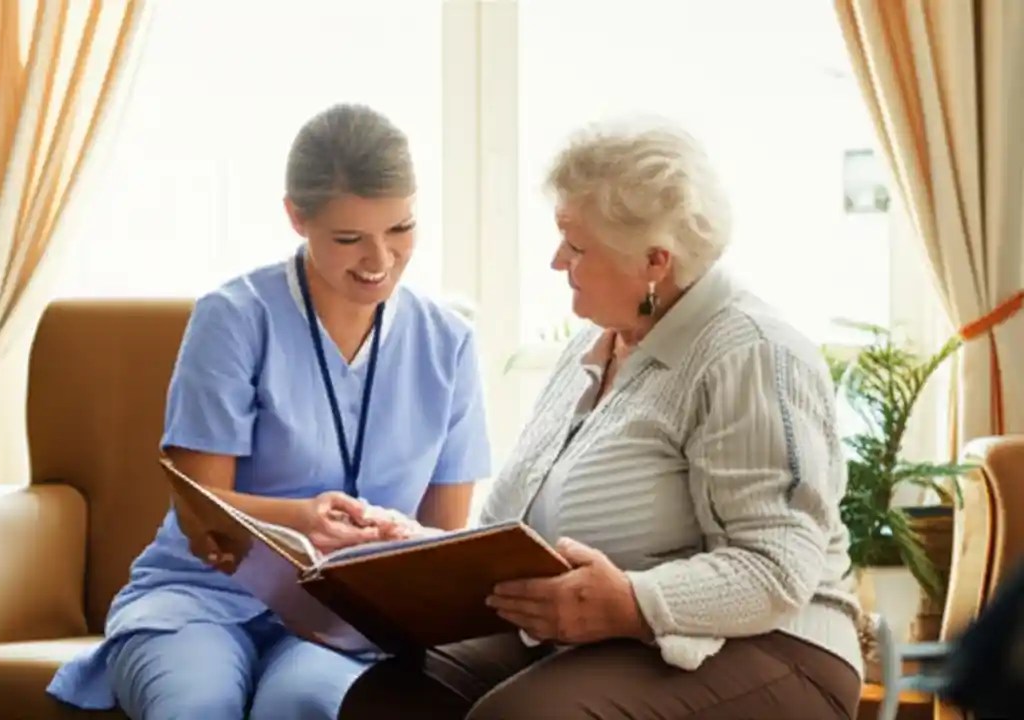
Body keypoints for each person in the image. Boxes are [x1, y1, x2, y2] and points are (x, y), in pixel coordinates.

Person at [339, 118, 864, 719]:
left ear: (655, 262)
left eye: (576, 245)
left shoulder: (750, 352)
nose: (557, 260)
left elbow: (774, 570)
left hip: (777, 651)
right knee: (392, 699)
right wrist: (418, 549)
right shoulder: (594, 345)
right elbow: (515, 528)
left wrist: (633, 602)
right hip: (605, 639)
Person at [46, 103, 492, 720]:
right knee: (195, 707)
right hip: (198, 597)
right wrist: (301, 519)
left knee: (301, 706)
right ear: (296, 217)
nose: (380, 259)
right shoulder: (233, 318)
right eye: (349, 238)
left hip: (352, 620)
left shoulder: (448, 343)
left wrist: (404, 544)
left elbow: (442, 535)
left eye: (400, 229)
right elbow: (198, 506)